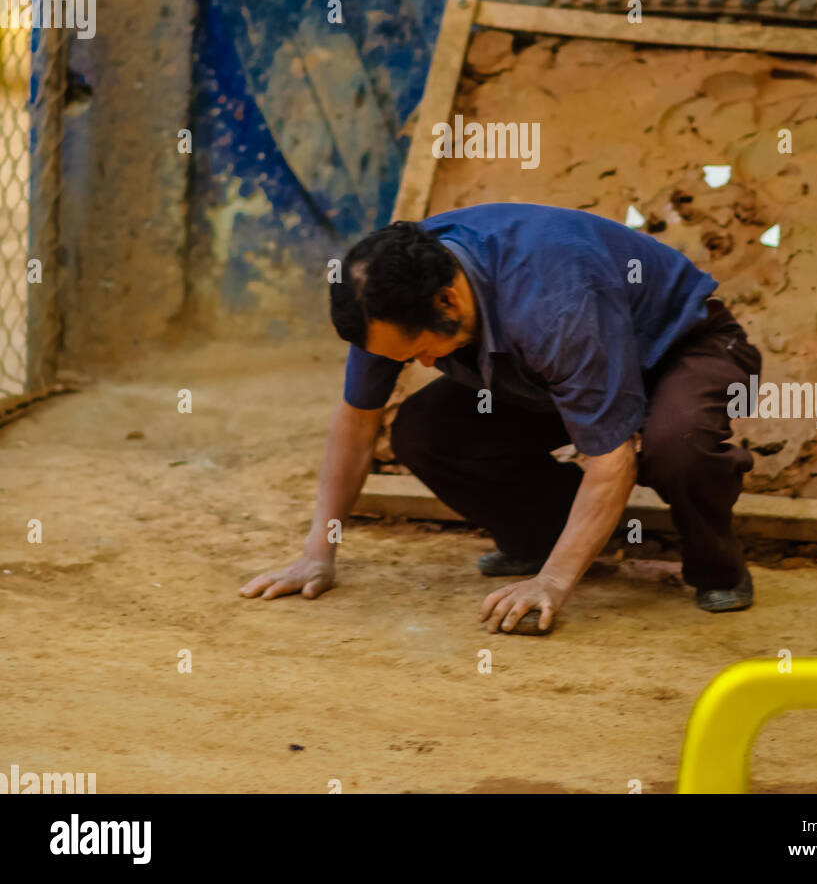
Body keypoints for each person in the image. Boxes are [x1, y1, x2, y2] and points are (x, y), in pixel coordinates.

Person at [240, 202, 761, 634]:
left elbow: (612, 461)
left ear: (447, 298)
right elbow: (357, 421)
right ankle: (546, 537)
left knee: (677, 441)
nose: (420, 364)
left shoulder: (554, 301)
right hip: (548, 371)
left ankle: (716, 567)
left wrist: (553, 585)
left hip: (680, 349)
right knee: (423, 431)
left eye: (421, 350)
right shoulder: (384, 295)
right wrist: (317, 552)